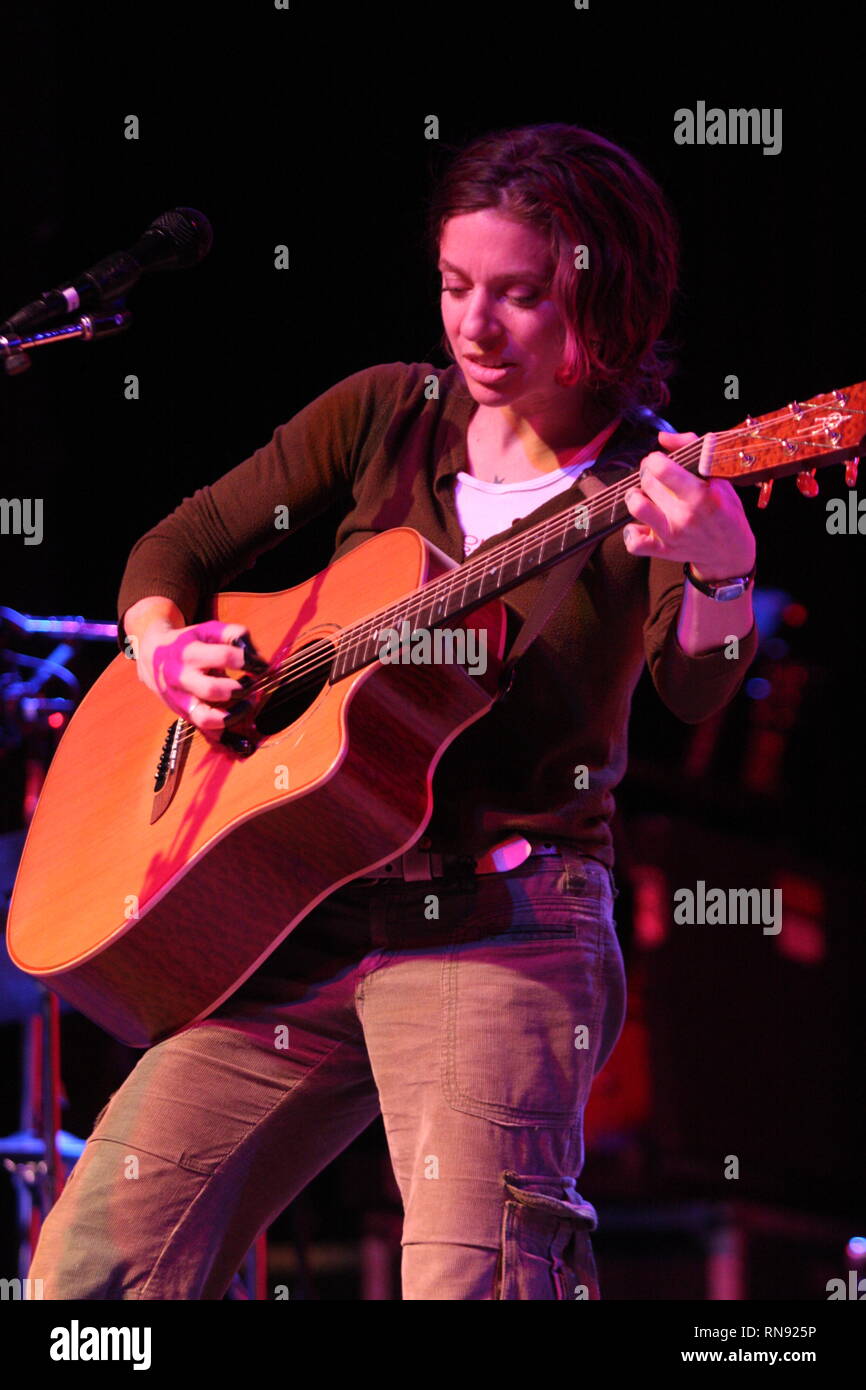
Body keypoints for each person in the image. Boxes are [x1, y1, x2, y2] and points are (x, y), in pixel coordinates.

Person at [28, 123, 757, 1300]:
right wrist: (165, 650)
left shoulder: (654, 478)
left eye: (517, 295)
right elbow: (182, 544)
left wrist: (720, 574)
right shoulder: (386, 413)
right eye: (454, 286)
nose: (473, 326)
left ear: (607, 296)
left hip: (500, 920)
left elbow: (696, 685)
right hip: (296, 917)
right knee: (89, 1279)